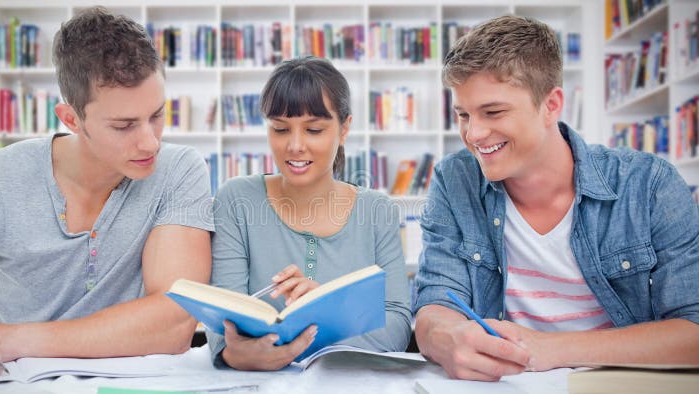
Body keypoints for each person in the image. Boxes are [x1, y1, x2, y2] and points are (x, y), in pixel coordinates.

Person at [0, 7, 213, 381]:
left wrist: (15, 339)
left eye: (157, 115)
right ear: (71, 119)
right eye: (124, 125)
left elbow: (173, 323)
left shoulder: (180, 171)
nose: (150, 141)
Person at [413, 15, 699, 382]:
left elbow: (693, 331)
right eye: (463, 114)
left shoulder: (649, 185)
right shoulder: (454, 179)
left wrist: (550, 348)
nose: (474, 133)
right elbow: (435, 302)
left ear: (551, 105)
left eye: (493, 112)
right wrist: (445, 337)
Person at [207, 56, 412, 371]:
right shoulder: (236, 200)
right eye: (280, 128)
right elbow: (223, 326)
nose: (295, 145)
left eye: (314, 130)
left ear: (344, 129)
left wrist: (328, 313)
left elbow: (398, 327)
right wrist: (236, 354)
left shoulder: (376, 210)